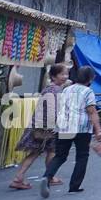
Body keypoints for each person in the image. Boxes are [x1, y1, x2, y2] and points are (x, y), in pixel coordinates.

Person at [40, 66, 101, 197]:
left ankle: (47, 177)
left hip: (64, 126)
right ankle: (74, 186)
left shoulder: (66, 90)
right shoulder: (88, 92)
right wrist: (98, 130)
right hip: (81, 128)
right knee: (82, 156)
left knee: (60, 156)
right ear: (90, 78)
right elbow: (91, 111)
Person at [8, 63, 69, 191]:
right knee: (50, 152)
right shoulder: (54, 90)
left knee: (38, 152)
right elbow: (52, 110)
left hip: (41, 126)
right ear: (53, 76)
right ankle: (48, 177)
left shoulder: (51, 89)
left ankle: (19, 178)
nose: (65, 76)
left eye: (66, 74)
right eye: (62, 74)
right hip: (46, 128)